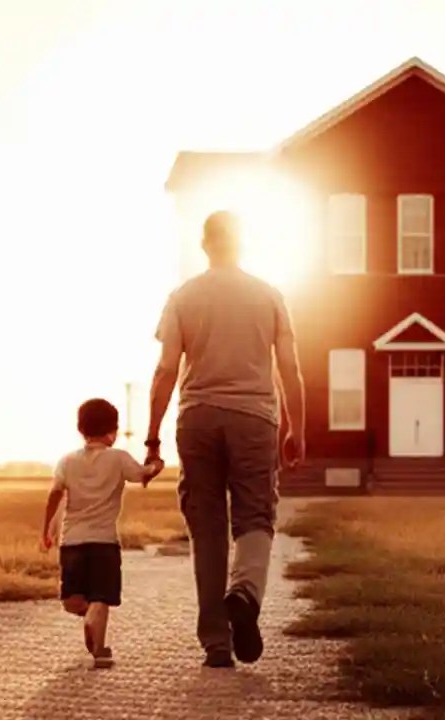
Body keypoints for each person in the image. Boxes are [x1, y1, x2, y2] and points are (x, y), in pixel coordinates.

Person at [143, 209, 306, 669]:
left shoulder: (183, 297)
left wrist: (153, 437)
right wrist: (297, 426)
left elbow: (165, 370)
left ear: (204, 244)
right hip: (255, 418)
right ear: (241, 243)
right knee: (256, 515)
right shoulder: (269, 295)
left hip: (197, 418)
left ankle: (216, 641)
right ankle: (245, 593)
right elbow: (290, 368)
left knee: (207, 526)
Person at [42, 398, 163, 669]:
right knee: (101, 598)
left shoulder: (66, 461)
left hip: (71, 541)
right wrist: (156, 465)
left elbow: (54, 495)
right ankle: (99, 647)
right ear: (112, 431)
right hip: (104, 543)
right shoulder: (118, 458)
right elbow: (142, 476)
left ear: (80, 429)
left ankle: (88, 618)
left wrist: (45, 530)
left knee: (71, 600)